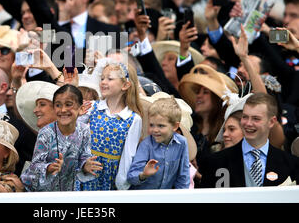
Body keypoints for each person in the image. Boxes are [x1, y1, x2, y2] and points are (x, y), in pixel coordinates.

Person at [199, 93, 299, 188]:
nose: (248, 123)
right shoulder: (215, 162)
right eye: (245, 117)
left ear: (271, 122)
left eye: (256, 118)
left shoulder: (291, 164)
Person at [20, 84, 101, 191]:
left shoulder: (84, 130)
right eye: (58, 105)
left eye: (68, 104)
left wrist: (85, 165)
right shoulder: (46, 133)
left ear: (81, 109)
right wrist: (49, 168)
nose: (63, 110)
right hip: (46, 191)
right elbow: (36, 164)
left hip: (70, 190)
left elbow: (84, 156)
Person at [78, 60, 143, 190]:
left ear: (125, 85)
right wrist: (82, 165)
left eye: (109, 79)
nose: (103, 82)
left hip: (109, 178)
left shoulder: (133, 119)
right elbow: (76, 139)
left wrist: (121, 185)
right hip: (86, 173)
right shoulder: (92, 108)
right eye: (102, 78)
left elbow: (128, 155)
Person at [127, 97, 190, 189]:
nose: (155, 130)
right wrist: (143, 174)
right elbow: (131, 177)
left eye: (161, 126)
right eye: (151, 125)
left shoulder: (182, 143)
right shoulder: (146, 145)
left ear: (175, 126)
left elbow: (183, 176)